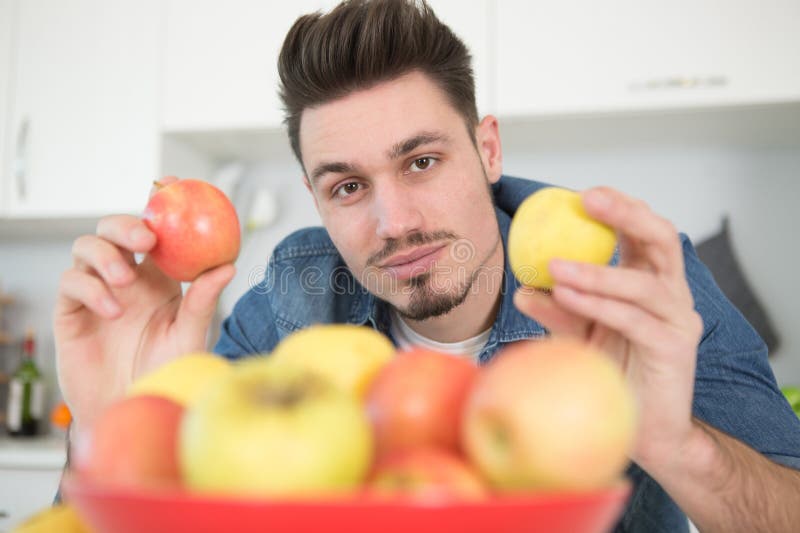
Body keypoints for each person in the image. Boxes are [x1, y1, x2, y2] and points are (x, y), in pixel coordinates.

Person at [54, 0, 800, 530]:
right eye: (348, 185)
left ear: (489, 150)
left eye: (421, 160)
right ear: (317, 198)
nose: (395, 222)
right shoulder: (292, 298)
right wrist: (113, 424)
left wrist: (674, 443)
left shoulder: (629, 278)